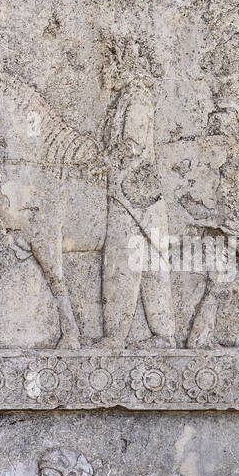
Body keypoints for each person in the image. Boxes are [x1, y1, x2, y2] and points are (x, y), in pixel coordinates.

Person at [96, 39, 174, 350]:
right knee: (146, 264)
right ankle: (160, 334)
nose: (105, 72)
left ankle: (121, 336)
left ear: (126, 66)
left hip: (133, 199)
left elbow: (132, 145)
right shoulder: (127, 99)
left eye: (110, 64)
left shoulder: (138, 98)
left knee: (123, 261)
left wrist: (102, 160)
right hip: (134, 197)